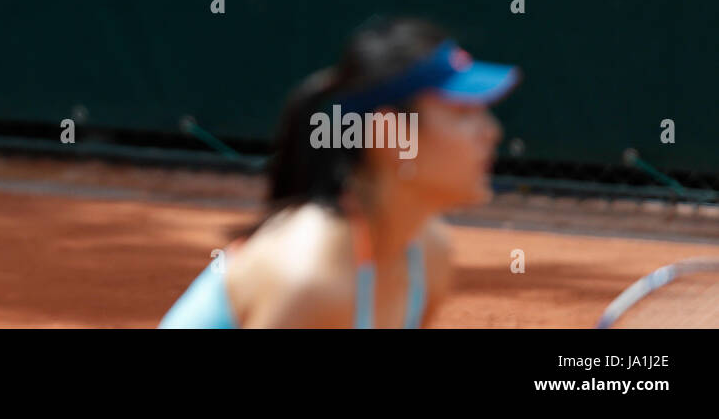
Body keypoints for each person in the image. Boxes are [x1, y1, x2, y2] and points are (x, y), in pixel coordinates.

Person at [159, 16, 519, 328]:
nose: (491, 132)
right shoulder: (308, 281)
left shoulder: (428, 257)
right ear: (391, 135)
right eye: (462, 114)